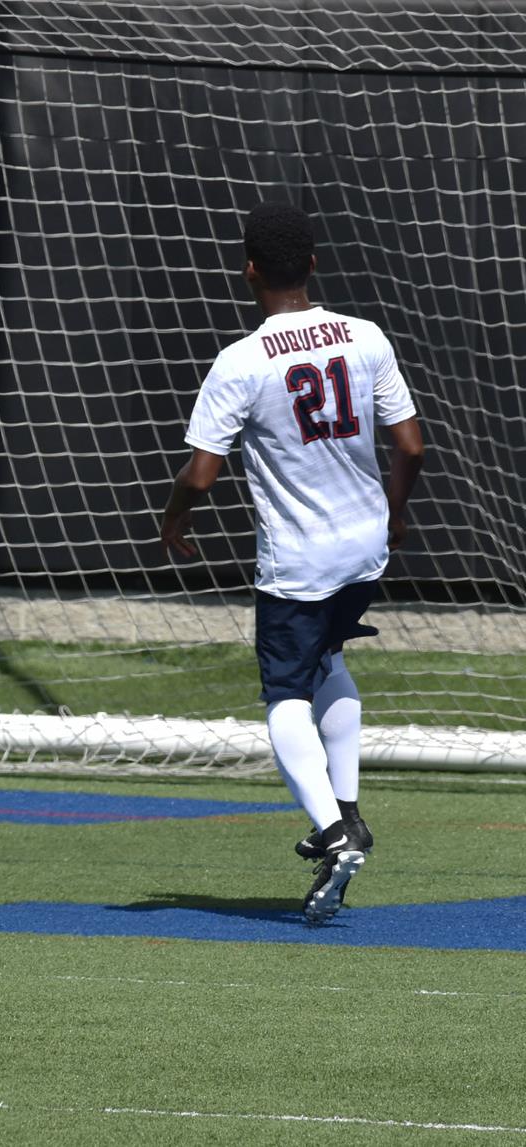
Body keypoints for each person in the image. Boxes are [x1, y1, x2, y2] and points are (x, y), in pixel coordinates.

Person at [158, 201, 424, 924]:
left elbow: (202, 473)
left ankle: (336, 835)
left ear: (248, 269)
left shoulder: (241, 361)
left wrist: (173, 518)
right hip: (366, 547)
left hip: (300, 560)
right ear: (312, 263)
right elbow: (411, 446)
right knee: (329, 659)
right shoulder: (364, 336)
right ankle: (347, 810)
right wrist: (396, 514)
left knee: (284, 696)